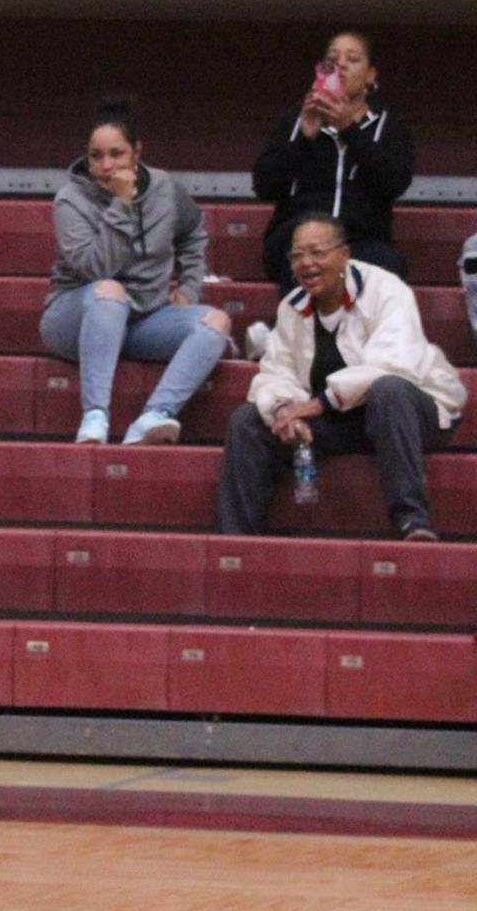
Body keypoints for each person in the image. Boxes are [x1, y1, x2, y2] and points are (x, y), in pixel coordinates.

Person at [217, 215, 465, 540]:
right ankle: (236, 541)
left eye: (317, 253)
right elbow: (275, 372)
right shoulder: (292, 307)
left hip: (415, 411)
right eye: (297, 256)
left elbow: (394, 364)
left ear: (344, 254)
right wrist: (283, 410)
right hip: (344, 420)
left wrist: (318, 404)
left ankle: (411, 521)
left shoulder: (386, 290)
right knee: (248, 420)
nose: (307, 264)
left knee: (388, 390)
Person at [41, 97, 232, 446]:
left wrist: (189, 288)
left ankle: (154, 417)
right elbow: (97, 267)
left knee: (216, 322)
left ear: (136, 152)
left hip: (142, 316)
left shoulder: (164, 188)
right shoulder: (70, 200)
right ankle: (94, 417)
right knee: (111, 289)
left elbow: (193, 232)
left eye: (117, 154)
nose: (106, 165)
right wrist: (122, 204)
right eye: (96, 156)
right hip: (77, 316)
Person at [253, 30, 413, 292]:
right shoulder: (295, 120)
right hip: (296, 238)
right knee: (307, 257)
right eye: (332, 59)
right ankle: (298, 329)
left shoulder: (390, 125)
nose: (341, 66)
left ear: (371, 75)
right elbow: (265, 187)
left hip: (360, 239)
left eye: (352, 59)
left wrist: (349, 129)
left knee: (387, 267)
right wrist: (304, 136)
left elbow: (394, 183)